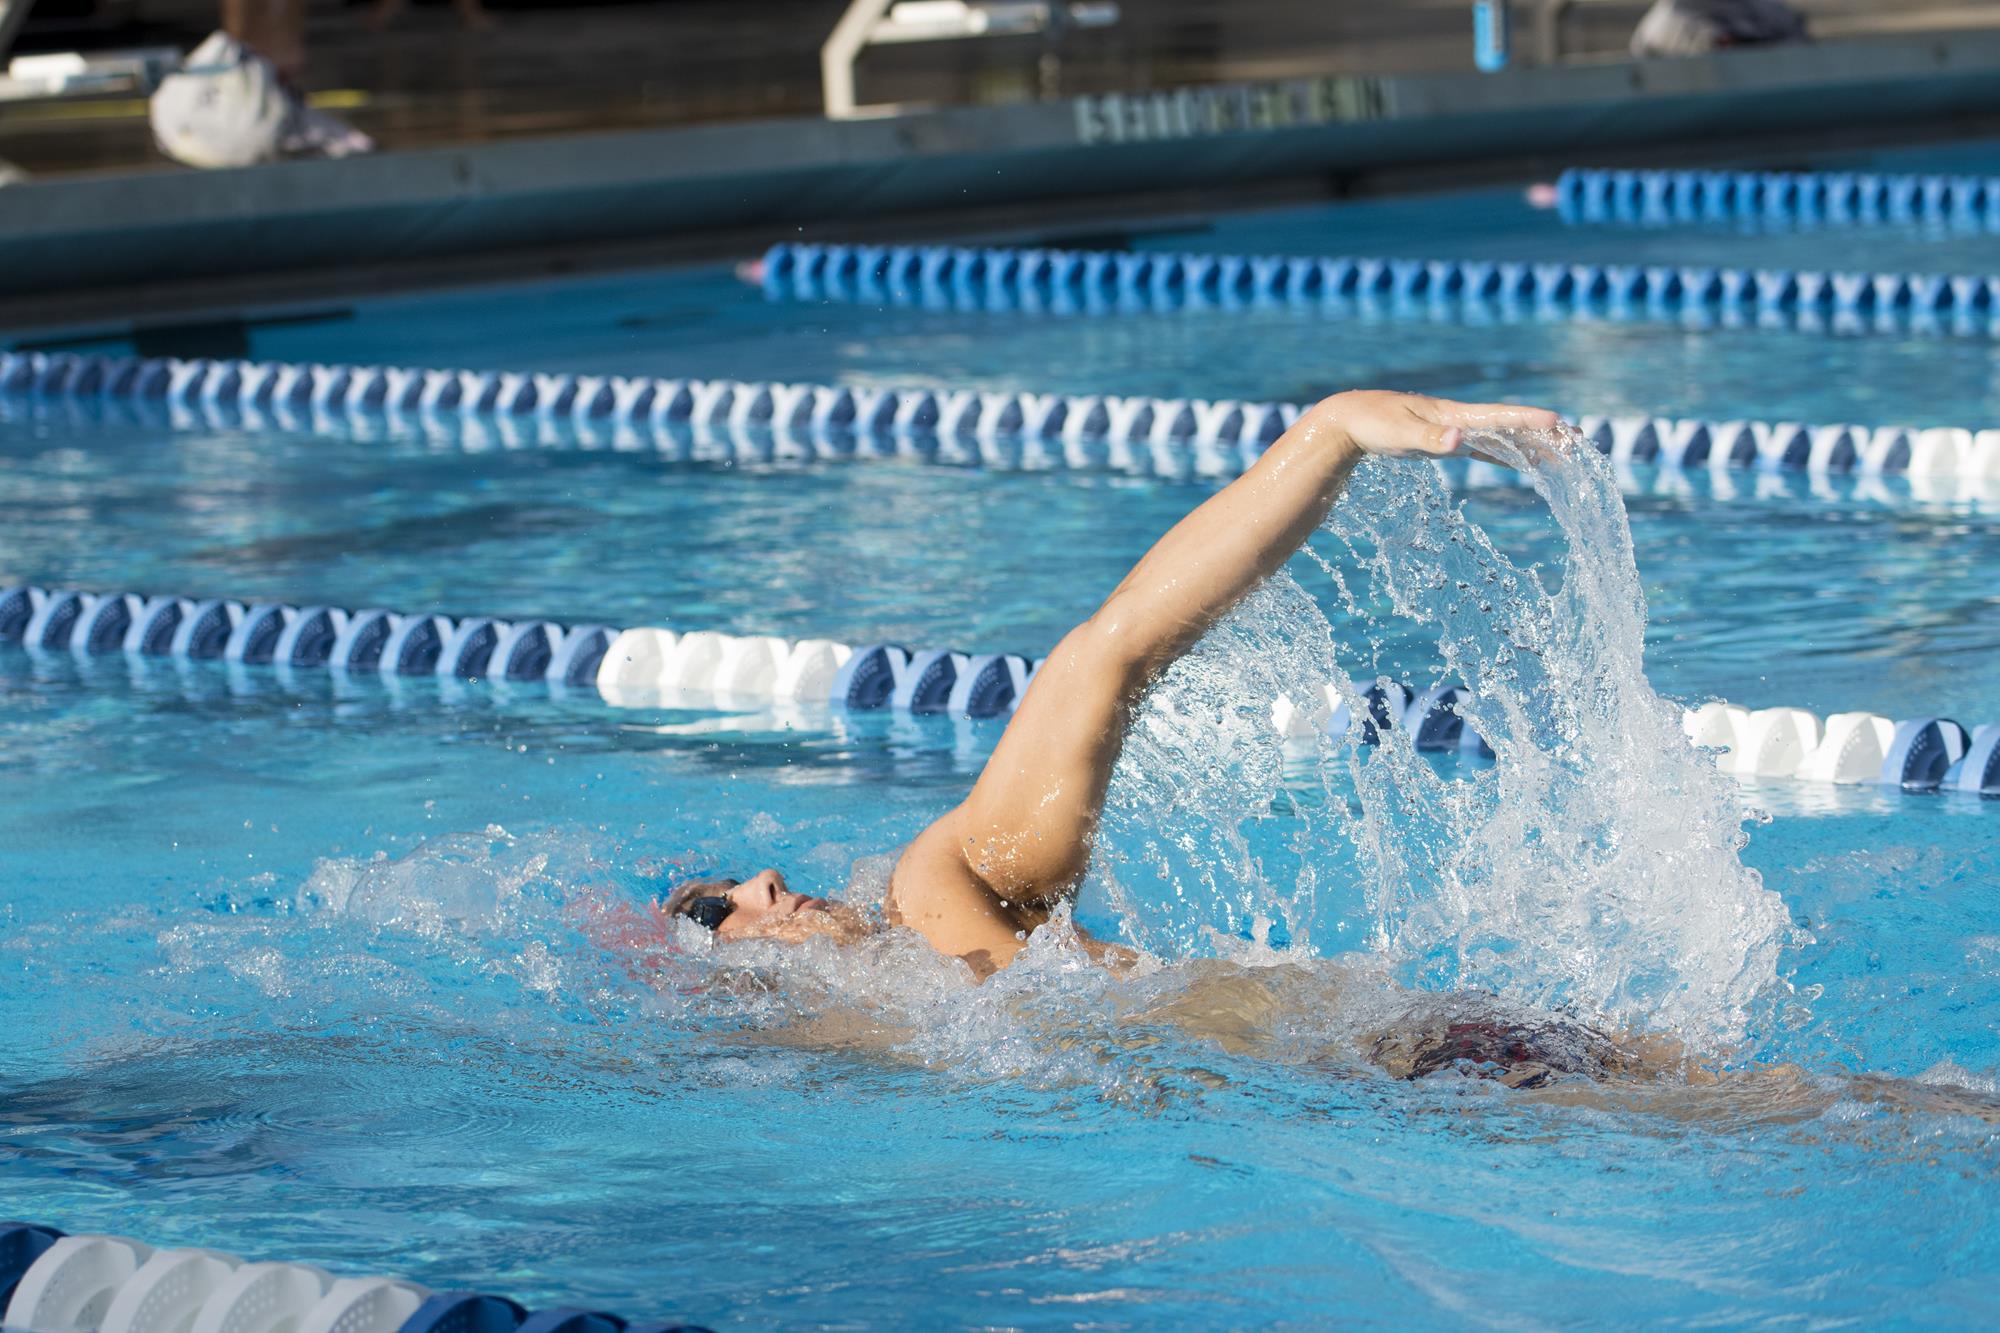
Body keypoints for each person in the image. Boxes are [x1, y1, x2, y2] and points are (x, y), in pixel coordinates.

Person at [656, 390, 1561, 977]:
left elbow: (1109, 653)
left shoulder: (936, 889)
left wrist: (1331, 434)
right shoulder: (875, 1020)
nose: (766, 881)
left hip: (1385, 1065)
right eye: (716, 912)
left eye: (731, 881)